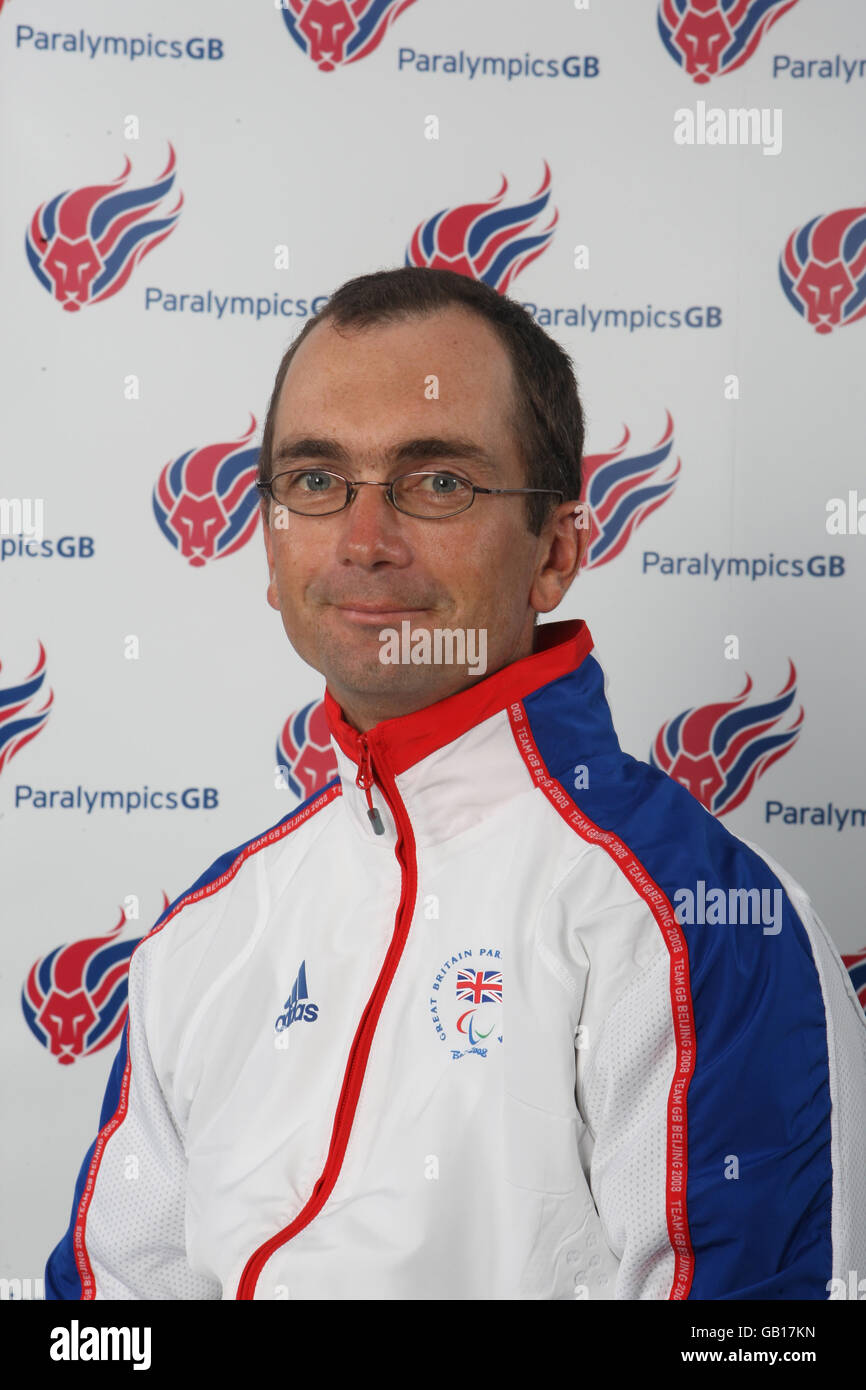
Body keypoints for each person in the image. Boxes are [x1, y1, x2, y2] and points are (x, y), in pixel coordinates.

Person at [46, 266, 866, 1301]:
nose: (363, 541)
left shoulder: (700, 923)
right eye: (314, 481)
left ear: (556, 548)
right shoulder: (206, 934)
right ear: (266, 542)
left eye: (437, 483)